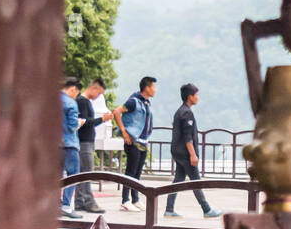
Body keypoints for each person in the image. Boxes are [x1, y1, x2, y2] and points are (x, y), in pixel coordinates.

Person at [164, 84, 222, 219]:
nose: (197, 97)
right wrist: (193, 154)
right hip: (185, 154)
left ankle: (169, 208)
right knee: (196, 181)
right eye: (196, 95)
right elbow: (187, 136)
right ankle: (206, 209)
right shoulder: (186, 113)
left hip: (177, 152)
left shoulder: (180, 111)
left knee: (178, 180)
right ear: (190, 97)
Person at [110, 75, 157, 210]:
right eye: (153, 87)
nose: (155, 90)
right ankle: (125, 200)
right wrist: (124, 132)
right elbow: (117, 112)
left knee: (137, 172)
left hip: (143, 141)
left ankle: (135, 199)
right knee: (130, 171)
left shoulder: (146, 102)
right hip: (133, 141)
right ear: (147, 88)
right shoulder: (133, 101)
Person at [73, 77, 112, 214]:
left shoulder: (83, 101)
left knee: (82, 172)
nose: (98, 96)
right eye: (99, 93)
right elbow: (84, 122)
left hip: (84, 141)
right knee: (87, 173)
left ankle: (79, 201)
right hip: (84, 142)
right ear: (94, 88)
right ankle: (89, 202)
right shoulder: (82, 101)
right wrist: (102, 119)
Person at [59, 79, 82, 218]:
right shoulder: (70, 103)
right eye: (76, 93)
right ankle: (66, 206)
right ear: (73, 89)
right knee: (73, 174)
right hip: (69, 144)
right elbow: (73, 125)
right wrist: (79, 122)